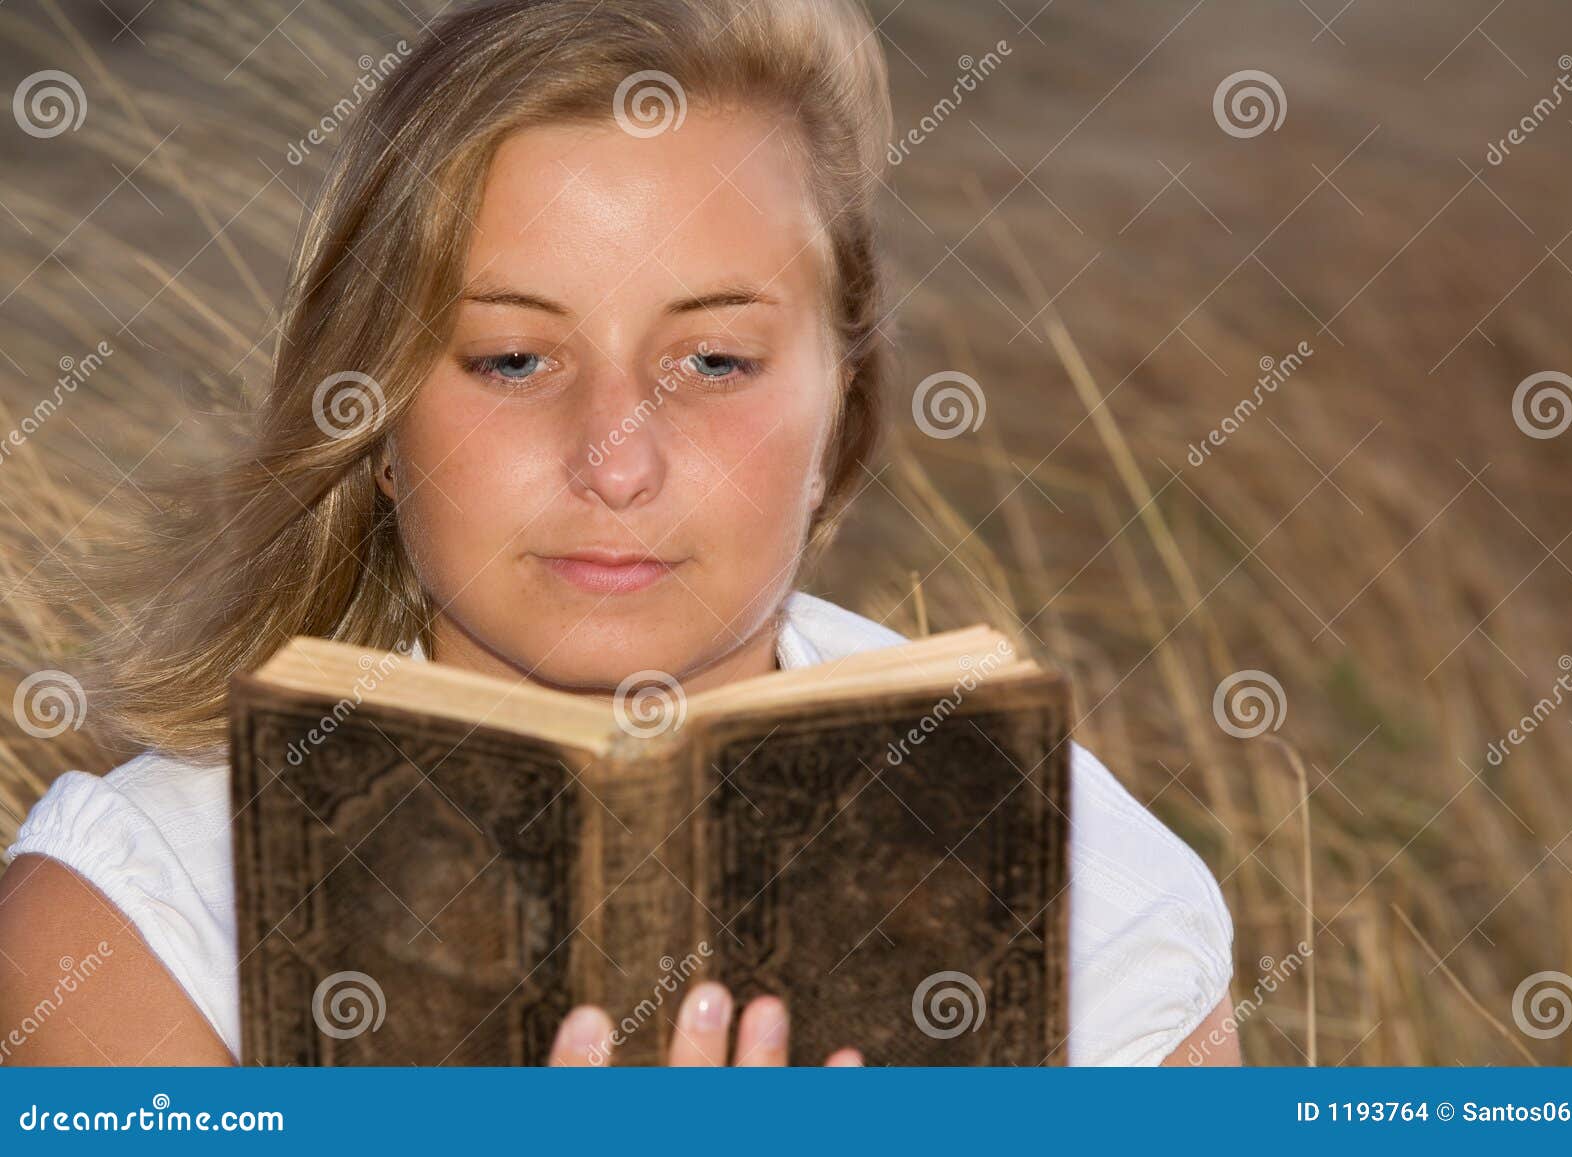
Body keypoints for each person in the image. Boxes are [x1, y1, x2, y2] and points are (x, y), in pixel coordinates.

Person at [0, 0, 1238, 1067]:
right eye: (512, 357)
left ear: (841, 410)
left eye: (711, 359)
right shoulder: (131, 928)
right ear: (373, 413)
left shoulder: (1096, 907)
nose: (614, 459)